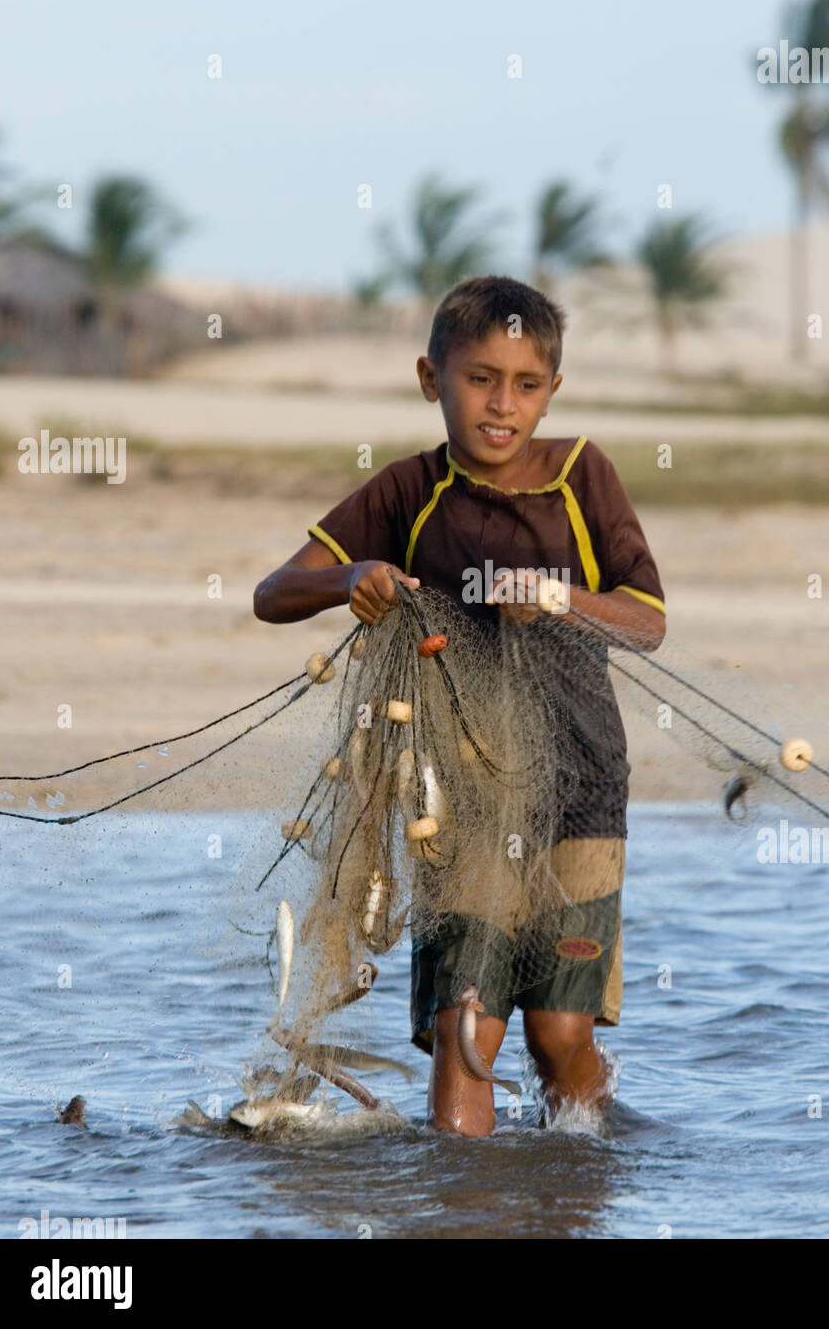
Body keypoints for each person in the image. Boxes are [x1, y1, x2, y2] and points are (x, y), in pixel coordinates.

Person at [254, 275, 665, 1135]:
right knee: (466, 1026)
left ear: (553, 391)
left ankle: (583, 1160)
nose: (500, 404)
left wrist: (559, 599)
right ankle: (460, 1209)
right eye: (479, 378)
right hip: (458, 797)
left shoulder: (583, 476)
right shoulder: (407, 491)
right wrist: (350, 578)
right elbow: (274, 591)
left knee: (557, 1031)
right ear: (429, 377)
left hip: (583, 785)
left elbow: (648, 621)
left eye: (524, 385)